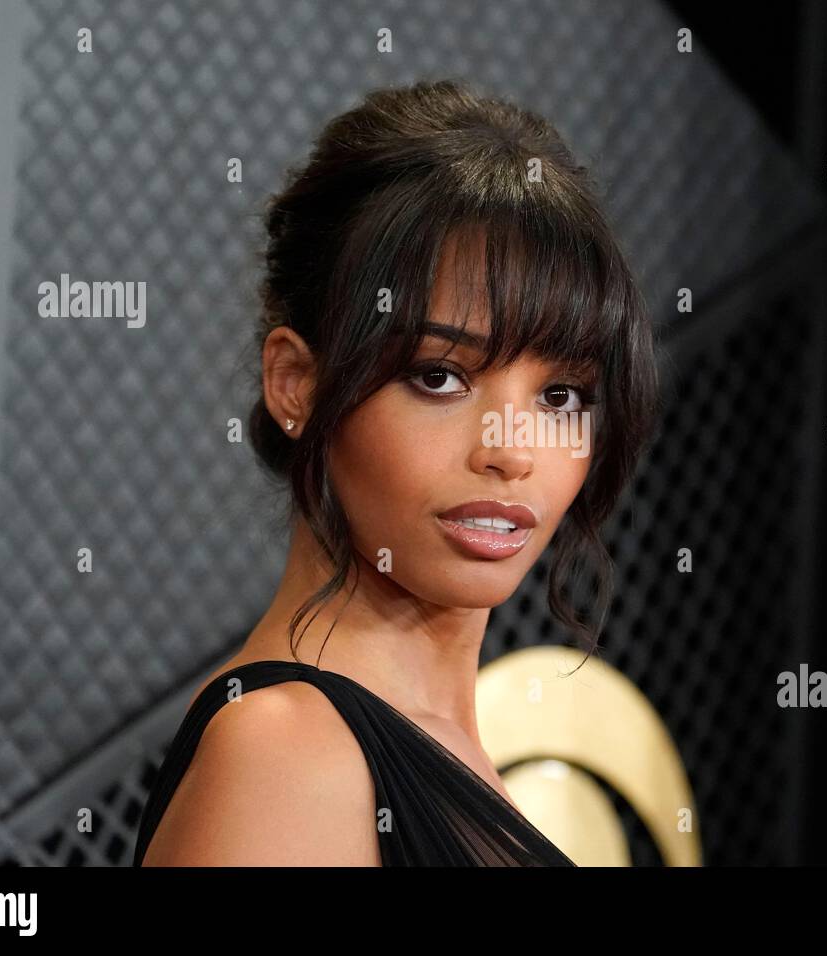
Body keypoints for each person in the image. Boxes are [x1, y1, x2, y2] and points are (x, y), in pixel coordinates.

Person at [133, 78, 659, 866]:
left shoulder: (436, 753)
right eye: (440, 377)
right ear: (296, 384)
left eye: (560, 395)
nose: (511, 450)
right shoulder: (288, 756)